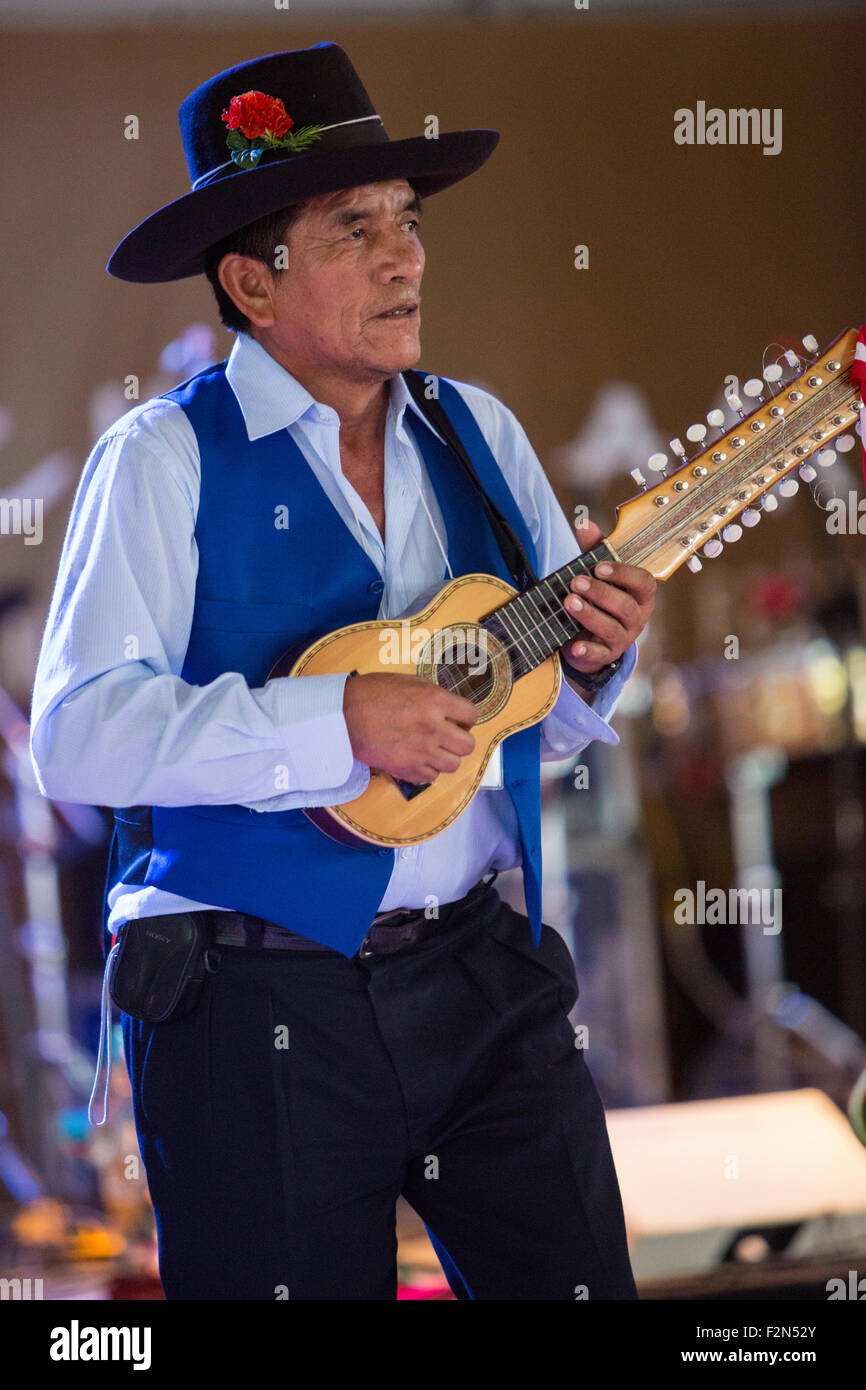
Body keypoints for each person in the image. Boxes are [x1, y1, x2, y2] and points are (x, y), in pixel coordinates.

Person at [30, 42, 656, 1300]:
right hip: (249, 1002)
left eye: (407, 223)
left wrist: (593, 662)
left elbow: (533, 716)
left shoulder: (480, 431)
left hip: (487, 972)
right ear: (250, 287)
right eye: (351, 228)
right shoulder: (161, 459)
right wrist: (335, 723)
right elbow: (77, 737)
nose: (404, 256)